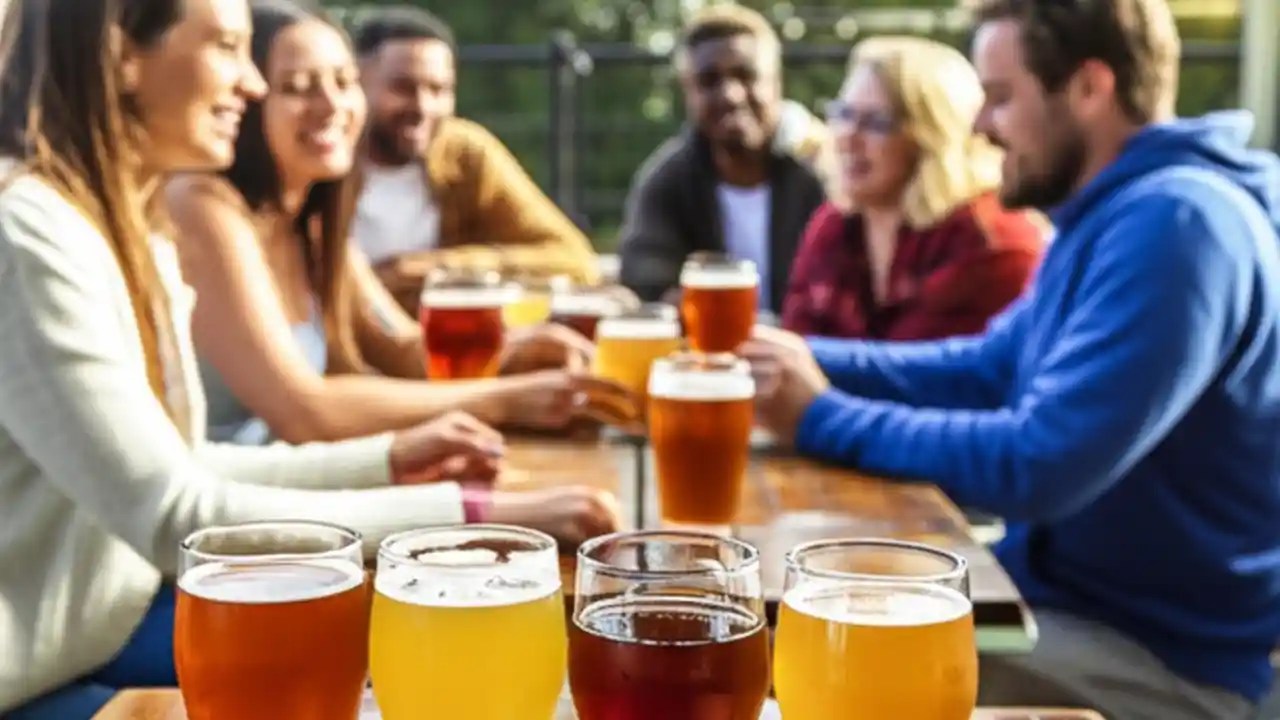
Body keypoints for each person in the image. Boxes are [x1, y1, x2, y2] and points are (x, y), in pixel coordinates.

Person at [0, 0, 618, 716]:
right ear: (121, 55)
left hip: (92, 625)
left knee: (424, 643)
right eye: (229, 47)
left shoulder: (117, 225)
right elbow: (180, 514)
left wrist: (395, 461)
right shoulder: (31, 236)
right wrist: (465, 513)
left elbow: (186, 460)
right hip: (37, 668)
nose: (252, 83)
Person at [745, 0, 1280, 718]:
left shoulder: (1177, 225)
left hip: (1168, 660)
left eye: (1000, 96)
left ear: (1089, 88)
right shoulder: (1117, 212)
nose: (979, 126)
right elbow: (988, 367)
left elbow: (1036, 465)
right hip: (1072, 604)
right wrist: (794, 355)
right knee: (812, 622)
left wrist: (819, 416)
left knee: (825, 657)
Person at [167, 0, 634, 445]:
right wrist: (506, 399)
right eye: (299, 86)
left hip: (296, 494)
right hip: (221, 511)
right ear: (246, 97)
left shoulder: (306, 226)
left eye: (344, 81)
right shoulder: (201, 204)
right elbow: (304, 410)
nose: (333, 105)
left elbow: (407, 350)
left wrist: (518, 352)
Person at [781, 36, 1043, 341]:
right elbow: (796, 342)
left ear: (933, 138)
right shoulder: (836, 224)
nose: (847, 138)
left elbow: (920, 379)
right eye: (844, 114)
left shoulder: (990, 240)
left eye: (876, 122)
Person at [350, 5, 600, 315]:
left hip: (443, 345)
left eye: (439, 89)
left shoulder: (464, 154)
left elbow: (574, 260)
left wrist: (437, 268)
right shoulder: (325, 158)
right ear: (356, 82)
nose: (423, 106)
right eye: (403, 87)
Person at [617, 4, 827, 317]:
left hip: (810, 352)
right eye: (709, 80)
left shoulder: (818, 170)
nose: (730, 94)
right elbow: (646, 282)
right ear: (687, 92)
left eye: (746, 76)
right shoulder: (667, 181)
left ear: (776, 84)